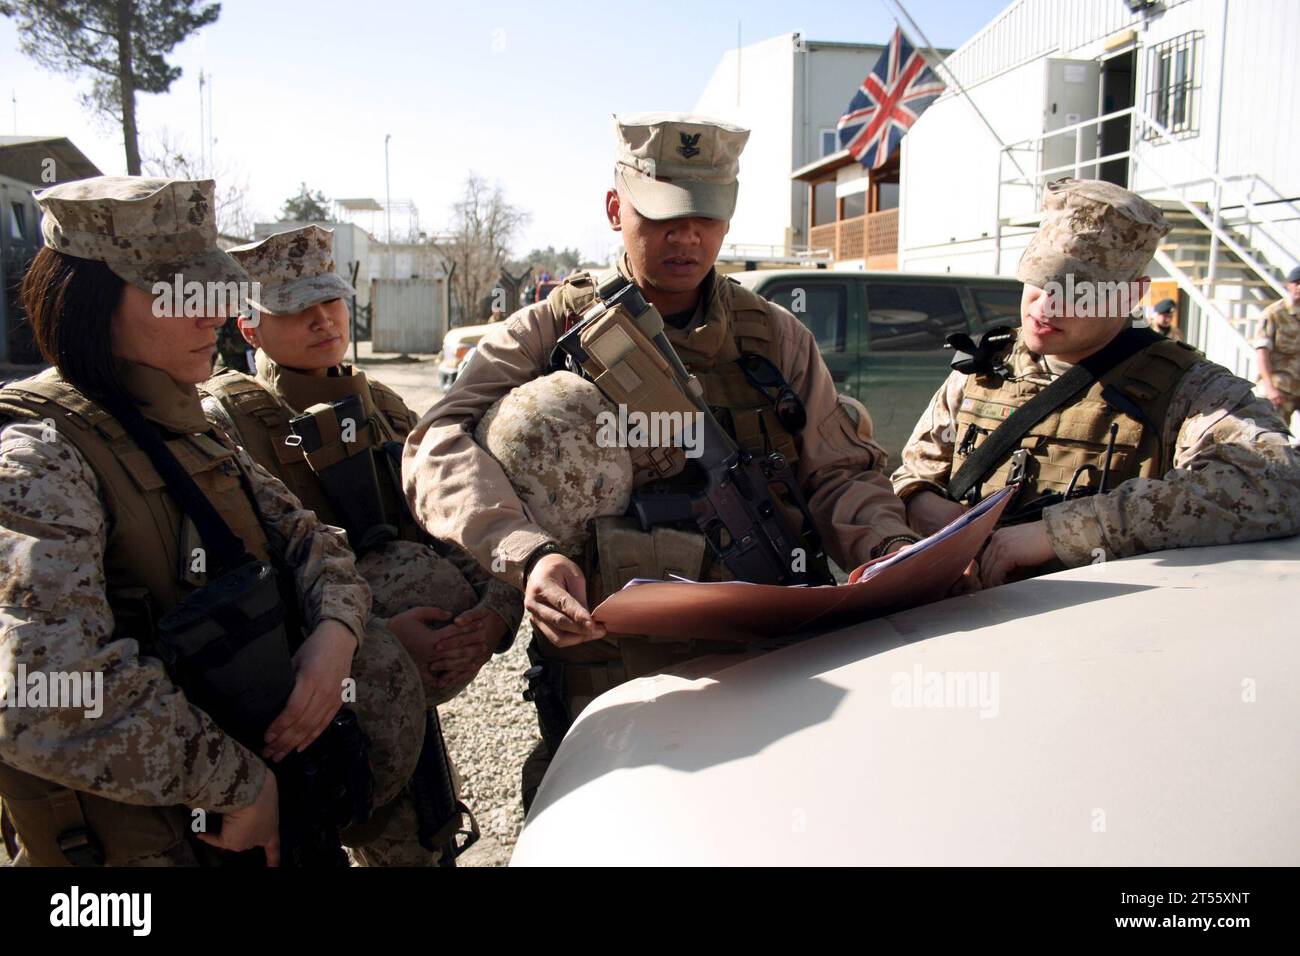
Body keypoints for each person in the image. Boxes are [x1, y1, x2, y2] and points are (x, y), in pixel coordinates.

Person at [401, 112, 919, 807]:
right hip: (606, 659)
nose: (688, 236)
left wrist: (888, 548)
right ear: (615, 209)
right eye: (664, 216)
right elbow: (433, 441)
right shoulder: (554, 325)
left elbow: (839, 472)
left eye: (706, 217)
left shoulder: (775, 338)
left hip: (759, 647)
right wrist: (526, 553)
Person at [0, 176, 427, 867]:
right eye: (181, 297)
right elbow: (38, 695)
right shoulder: (40, 458)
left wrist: (334, 636)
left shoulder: (187, 427)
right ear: (91, 303)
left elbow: (317, 544)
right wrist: (235, 782)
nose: (214, 317)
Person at [891, 178, 1300, 589]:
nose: (1046, 305)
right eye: (1042, 278)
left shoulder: (1189, 391)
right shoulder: (984, 366)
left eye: (1077, 292)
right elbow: (915, 470)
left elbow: (1278, 483)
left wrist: (1064, 532)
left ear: (1131, 296)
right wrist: (925, 506)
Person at [1252, 264, 1300, 432]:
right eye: (1297, 283)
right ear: (1288, 285)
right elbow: (1262, 353)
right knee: (1274, 436)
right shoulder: (1274, 313)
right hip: (1280, 387)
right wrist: (1270, 388)